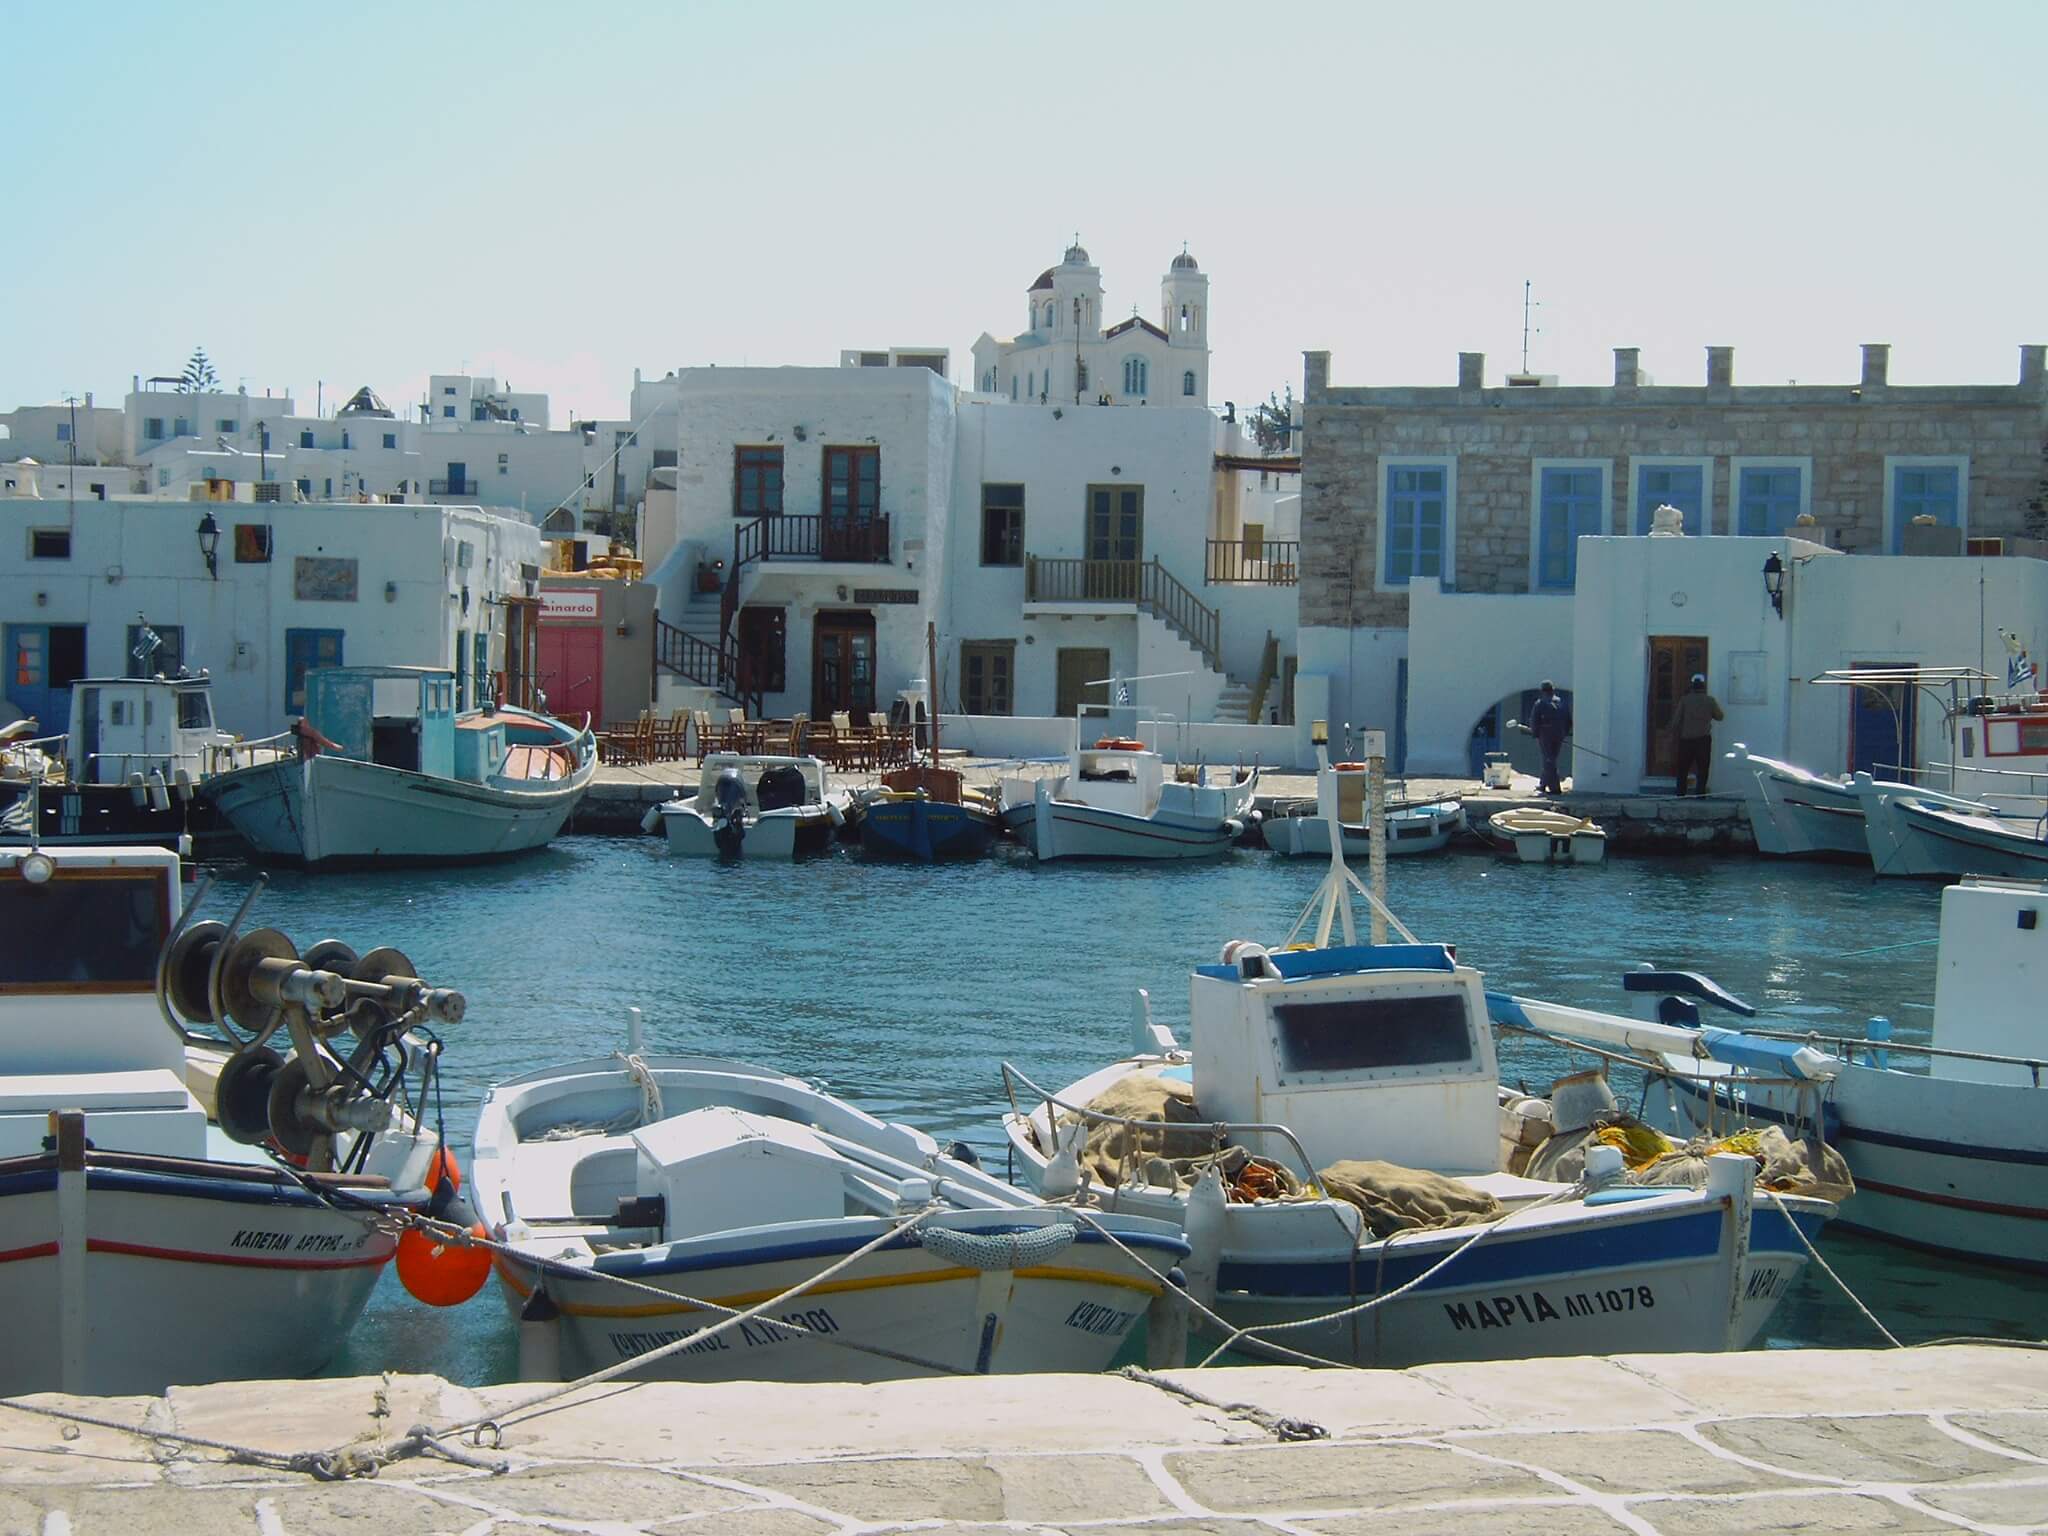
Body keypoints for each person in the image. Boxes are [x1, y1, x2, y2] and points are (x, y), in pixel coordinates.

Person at [1667, 673, 1725, 796]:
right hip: (1703, 739)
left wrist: (1670, 734)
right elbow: (1720, 717)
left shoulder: (1685, 700)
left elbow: (1676, 720)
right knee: (1703, 768)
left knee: (1683, 768)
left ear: (1692, 686)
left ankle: (1681, 793)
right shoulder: (1710, 701)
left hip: (1686, 739)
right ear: (1703, 687)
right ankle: (1700, 794)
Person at [1527, 681, 1572, 796]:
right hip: (1559, 734)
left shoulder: (1540, 703)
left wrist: (1535, 733)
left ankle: (1555, 788)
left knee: (1549, 760)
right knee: (1551, 759)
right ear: (1553, 690)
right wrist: (1564, 733)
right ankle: (1543, 784)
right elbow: (1568, 720)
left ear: (1542, 691)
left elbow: (1534, 720)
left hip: (1546, 734)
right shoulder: (1562, 702)